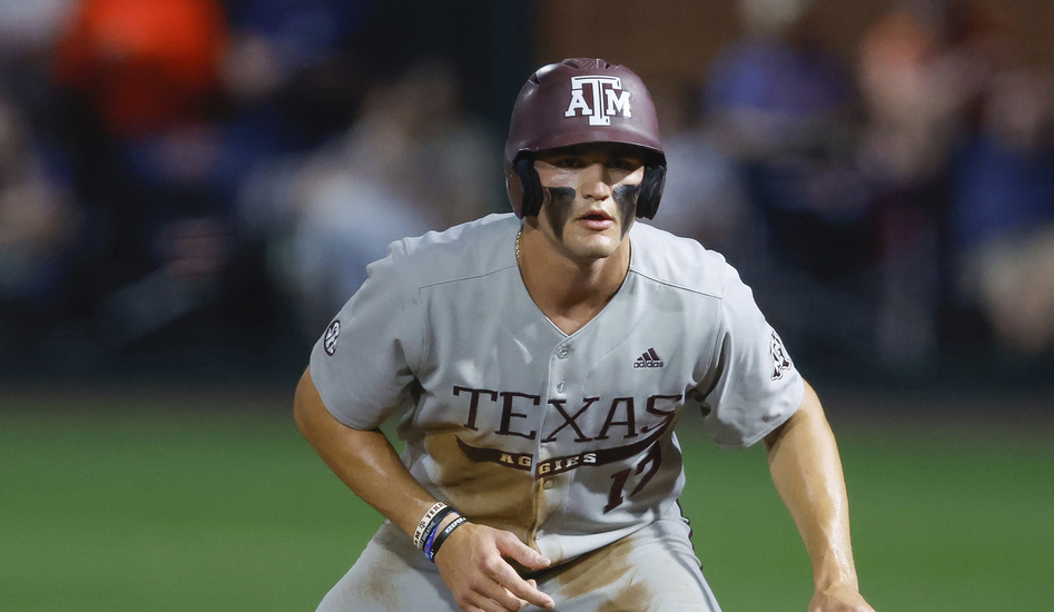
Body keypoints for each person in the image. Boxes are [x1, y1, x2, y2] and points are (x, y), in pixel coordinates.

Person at [293, 57, 875, 612]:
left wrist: (837, 580)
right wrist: (437, 530)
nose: (598, 186)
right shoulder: (428, 281)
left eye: (620, 163)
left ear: (650, 183)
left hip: (626, 548)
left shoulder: (700, 291)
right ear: (522, 179)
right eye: (570, 160)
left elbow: (790, 414)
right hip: (447, 541)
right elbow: (321, 404)